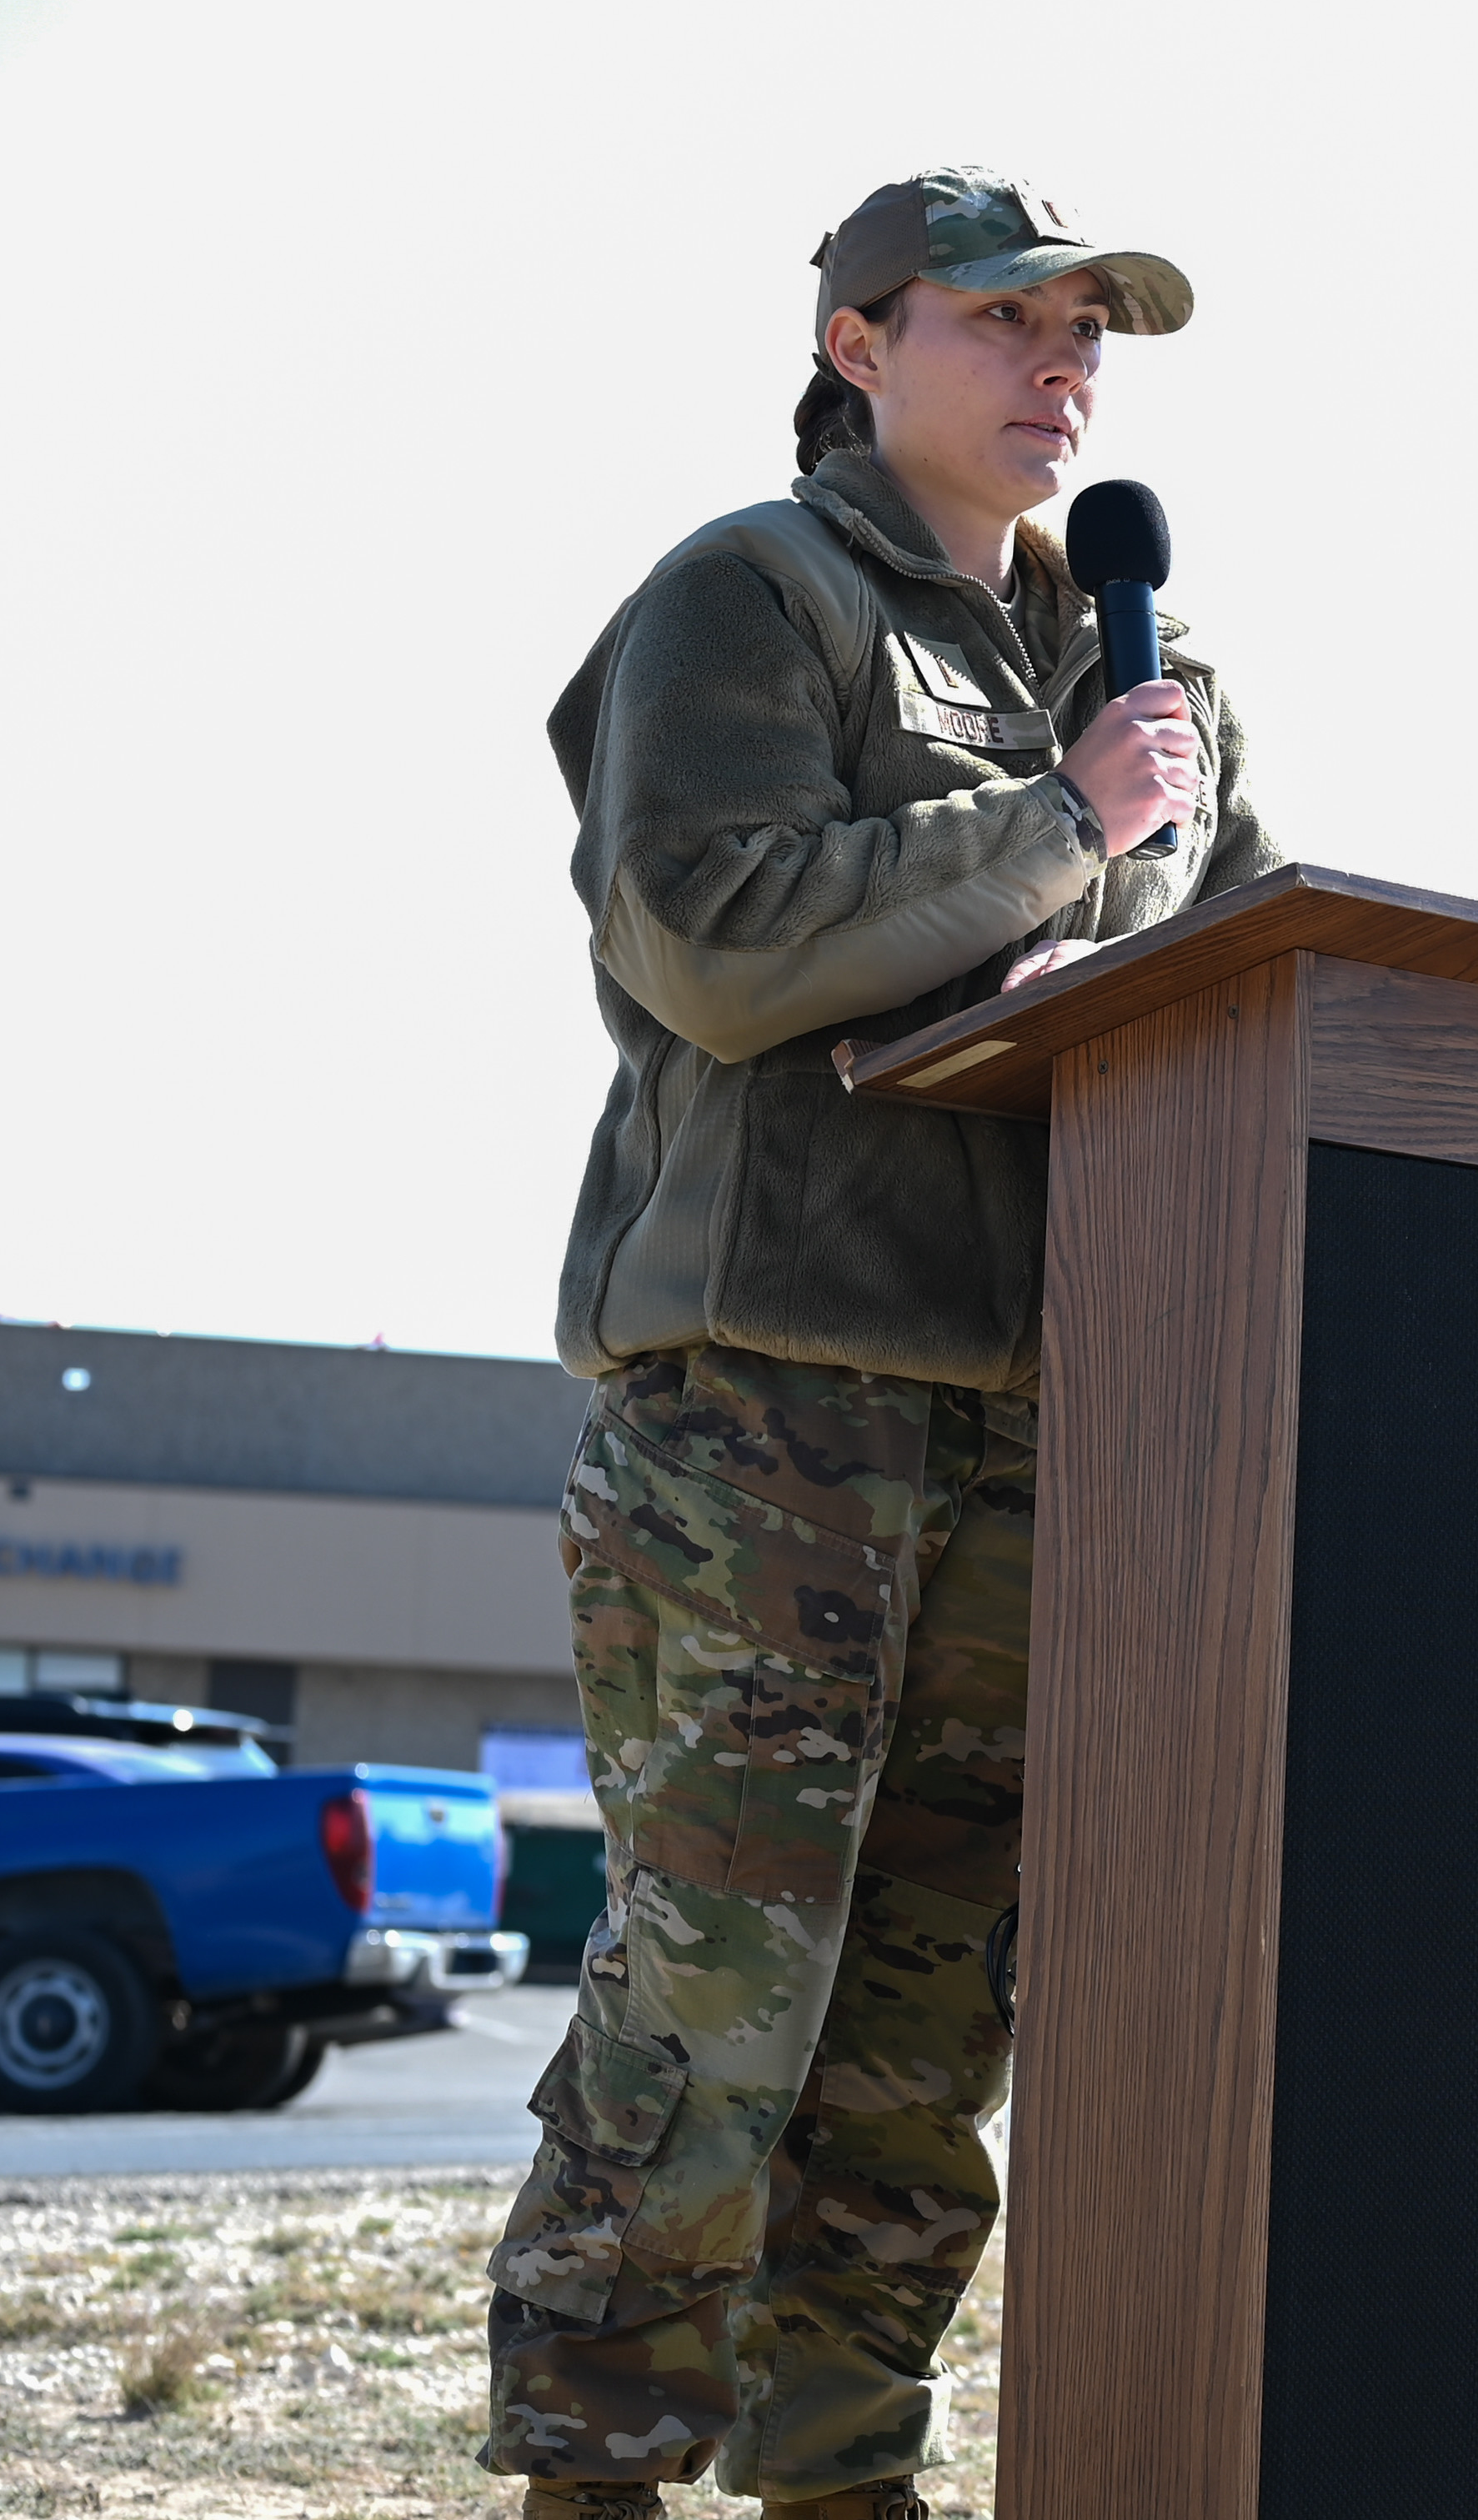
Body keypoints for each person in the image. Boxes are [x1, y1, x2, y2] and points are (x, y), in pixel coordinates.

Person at [483, 167, 1284, 2520]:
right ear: (860, 346)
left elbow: (1245, 975)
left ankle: (845, 2483)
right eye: (1009, 320)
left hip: (1043, 1418)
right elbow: (709, 940)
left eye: (1092, 337)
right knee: (727, 1997)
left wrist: (1149, 872)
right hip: (766, 1405)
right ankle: (600, 2478)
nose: (1065, 368)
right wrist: (1059, 828)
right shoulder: (754, 596)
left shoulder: (1152, 681)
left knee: (926, 2027)